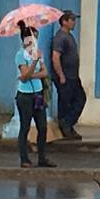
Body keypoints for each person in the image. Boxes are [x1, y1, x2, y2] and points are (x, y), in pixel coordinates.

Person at [15, 23, 56, 168]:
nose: (35, 42)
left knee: (42, 127)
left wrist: (32, 75)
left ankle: (42, 157)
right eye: (33, 39)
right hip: (25, 96)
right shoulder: (20, 55)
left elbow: (44, 72)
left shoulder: (38, 52)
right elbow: (24, 75)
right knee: (25, 127)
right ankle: (24, 159)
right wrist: (34, 62)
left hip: (37, 94)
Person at [51, 10, 85, 140]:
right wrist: (61, 75)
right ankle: (65, 125)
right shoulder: (60, 37)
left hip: (73, 76)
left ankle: (68, 124)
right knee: (67, 102)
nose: (74, 22)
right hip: (66, 77)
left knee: (78, 99)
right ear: (64, 21)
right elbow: (55, 57)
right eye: (71, 19)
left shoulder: (69, 36)